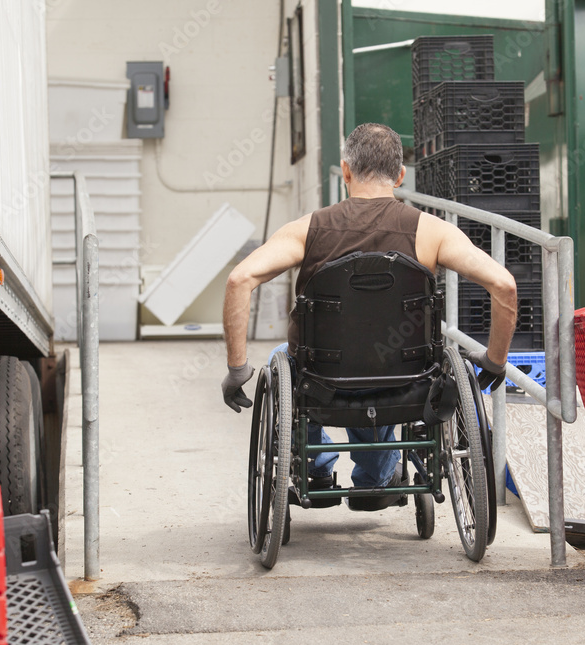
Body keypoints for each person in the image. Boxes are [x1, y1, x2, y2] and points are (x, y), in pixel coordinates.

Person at [221, 123, 516, 510]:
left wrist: (238, 369)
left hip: (322, 377)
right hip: (405, 374)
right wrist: (495, 360)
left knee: (288, 363)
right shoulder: (432, 231)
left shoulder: (307, 230)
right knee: (379, 363)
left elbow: (240, 279)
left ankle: (317, 466)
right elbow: (505, 286)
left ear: (346, 171)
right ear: (399, 175)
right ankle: (375, 480)